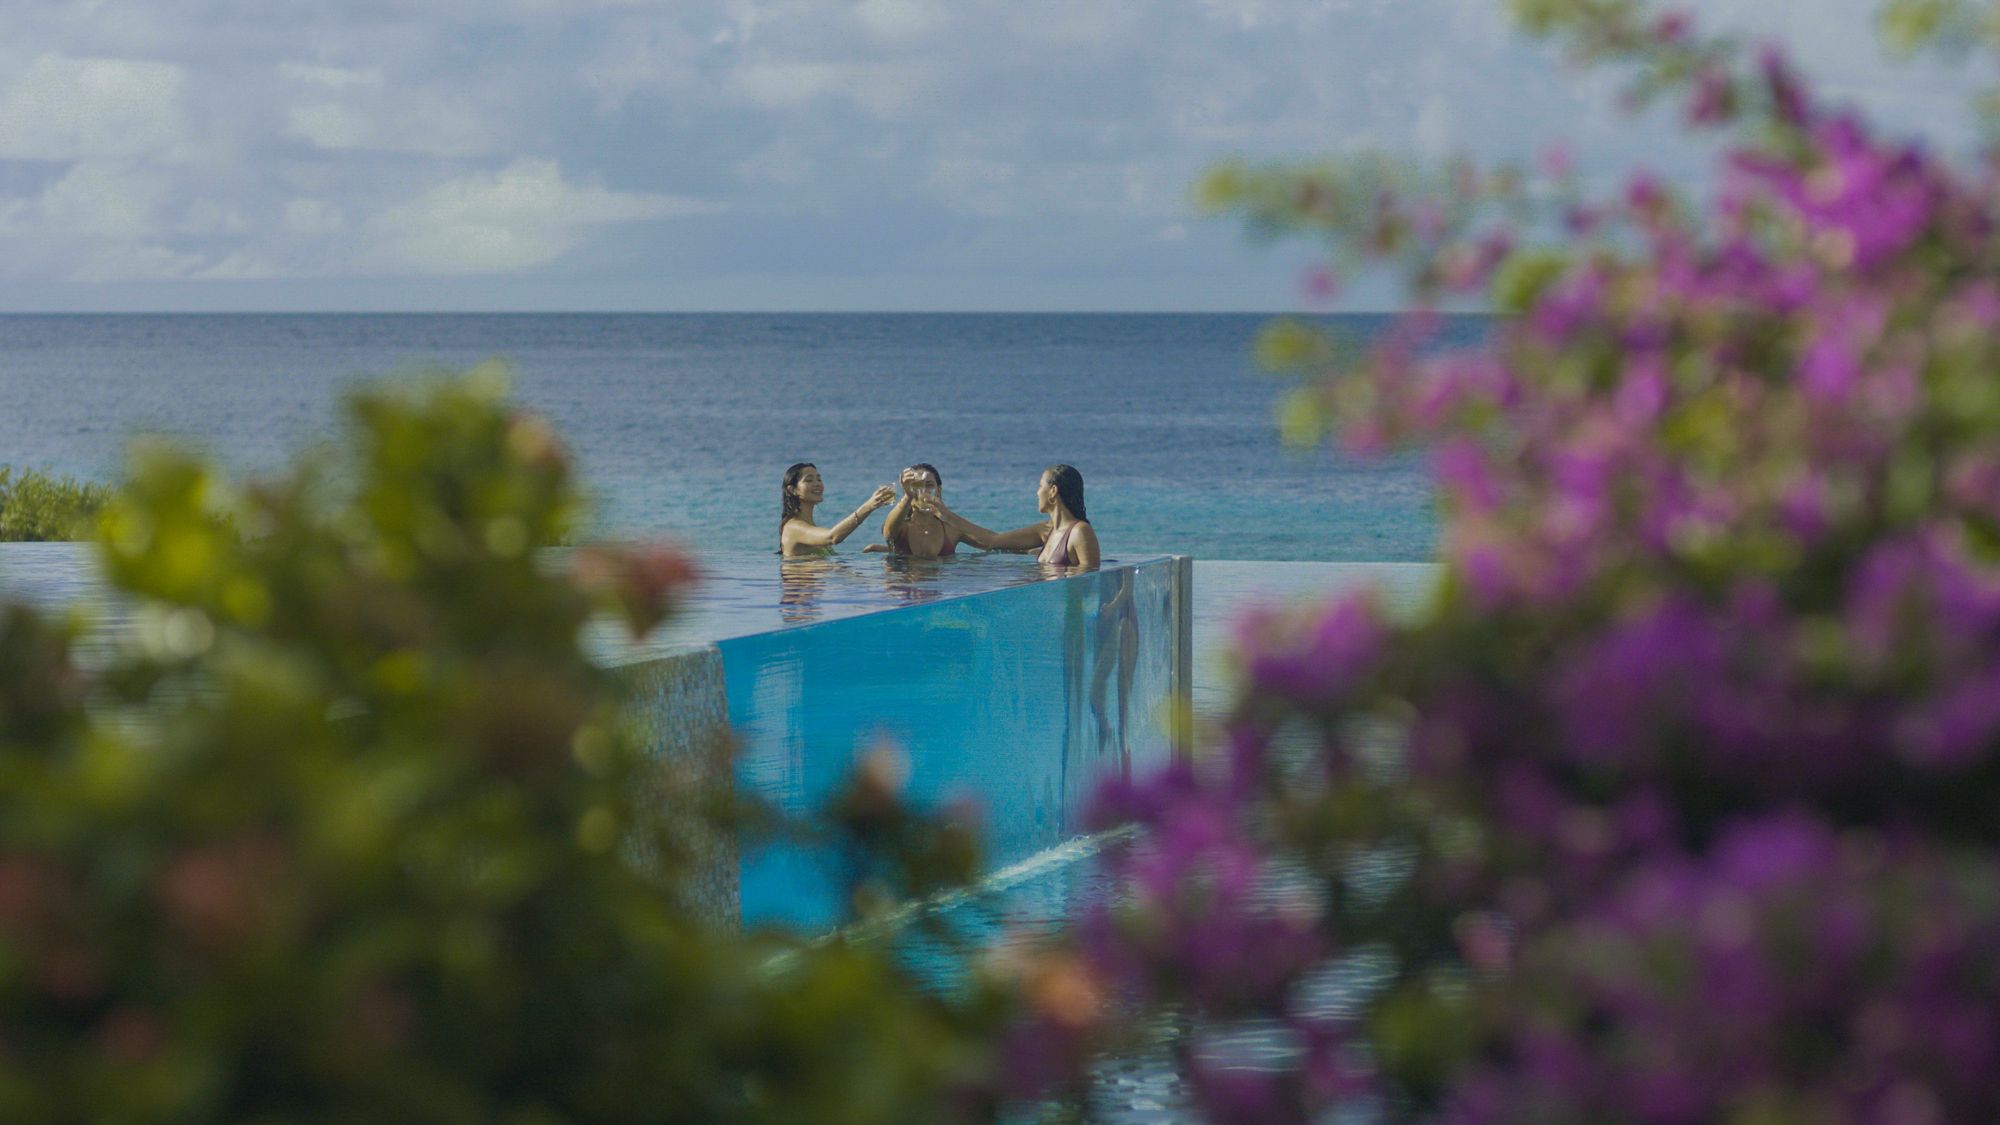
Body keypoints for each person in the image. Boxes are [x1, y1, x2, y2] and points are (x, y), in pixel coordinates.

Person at [938, 463, 1099, 569]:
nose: (1037, 492)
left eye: (1040, 485)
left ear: (1053, 491)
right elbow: (992, 541)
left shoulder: (1080, 532)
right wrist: (945, 514)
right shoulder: (1045, 531)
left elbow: (1091, 586)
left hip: (1069, 618)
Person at [778, 462, 894, 558]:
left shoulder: (808, 525)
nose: (817, 484)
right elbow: (832, 537)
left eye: (819, 479)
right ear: (793, 490)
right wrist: (868, 506)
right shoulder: (793, 528)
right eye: (809, 480)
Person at [869, 463, 966, 559]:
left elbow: (981, 541)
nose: (923, 491)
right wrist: (908, 497)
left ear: (939, 490)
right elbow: (888, 532)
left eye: (929, 485)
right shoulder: (901, 526)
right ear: (907, 491)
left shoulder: (951, 528)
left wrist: (949, 515)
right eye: (917, 486)